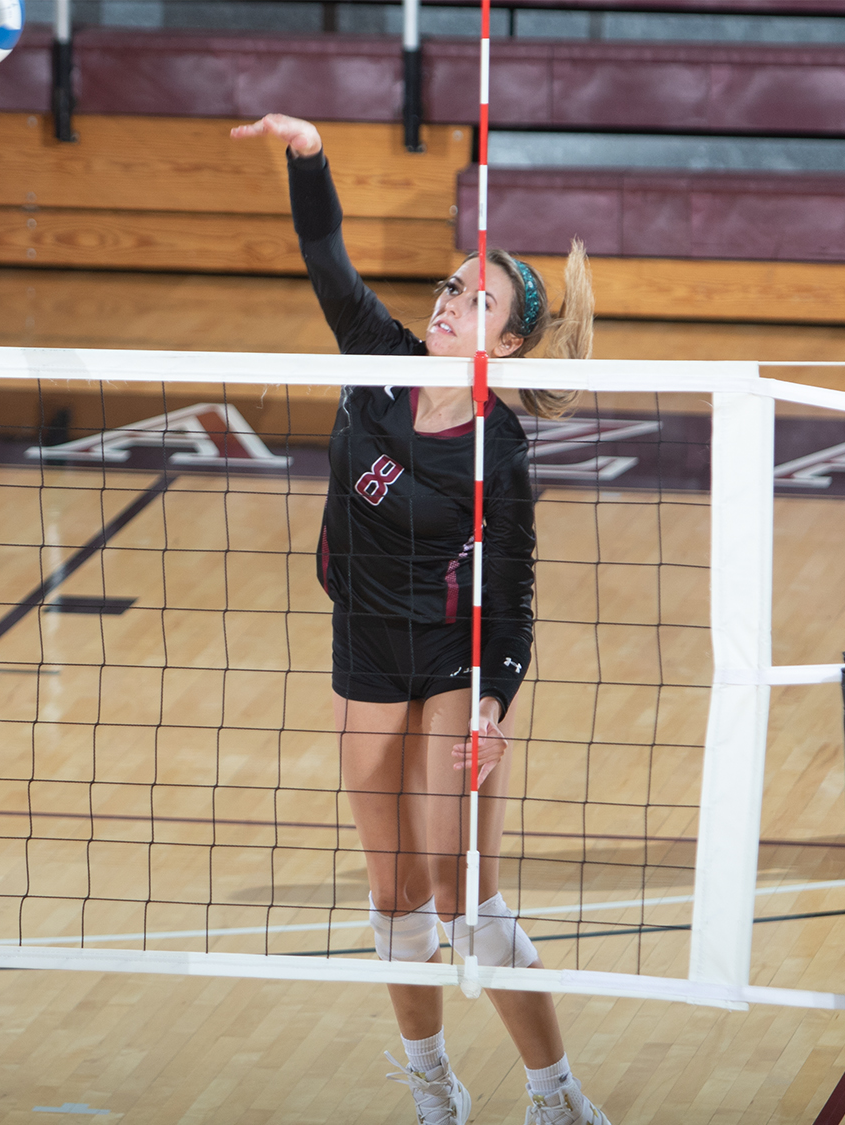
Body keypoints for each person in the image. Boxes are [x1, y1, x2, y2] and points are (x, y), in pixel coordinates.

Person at [230, 113, 608, 1125]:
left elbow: (517, 595)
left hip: (452, 664)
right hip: (362, 647)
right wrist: (306, 155)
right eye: (447, 287)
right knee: (393, 902)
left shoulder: (499, 452)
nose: (447, 303)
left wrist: (492, 705)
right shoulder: (375, 362)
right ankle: (433, 1088)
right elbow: (323, 255)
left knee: (464, 904)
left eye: (471, 299)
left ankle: (554, 1094)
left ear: (509, 339)